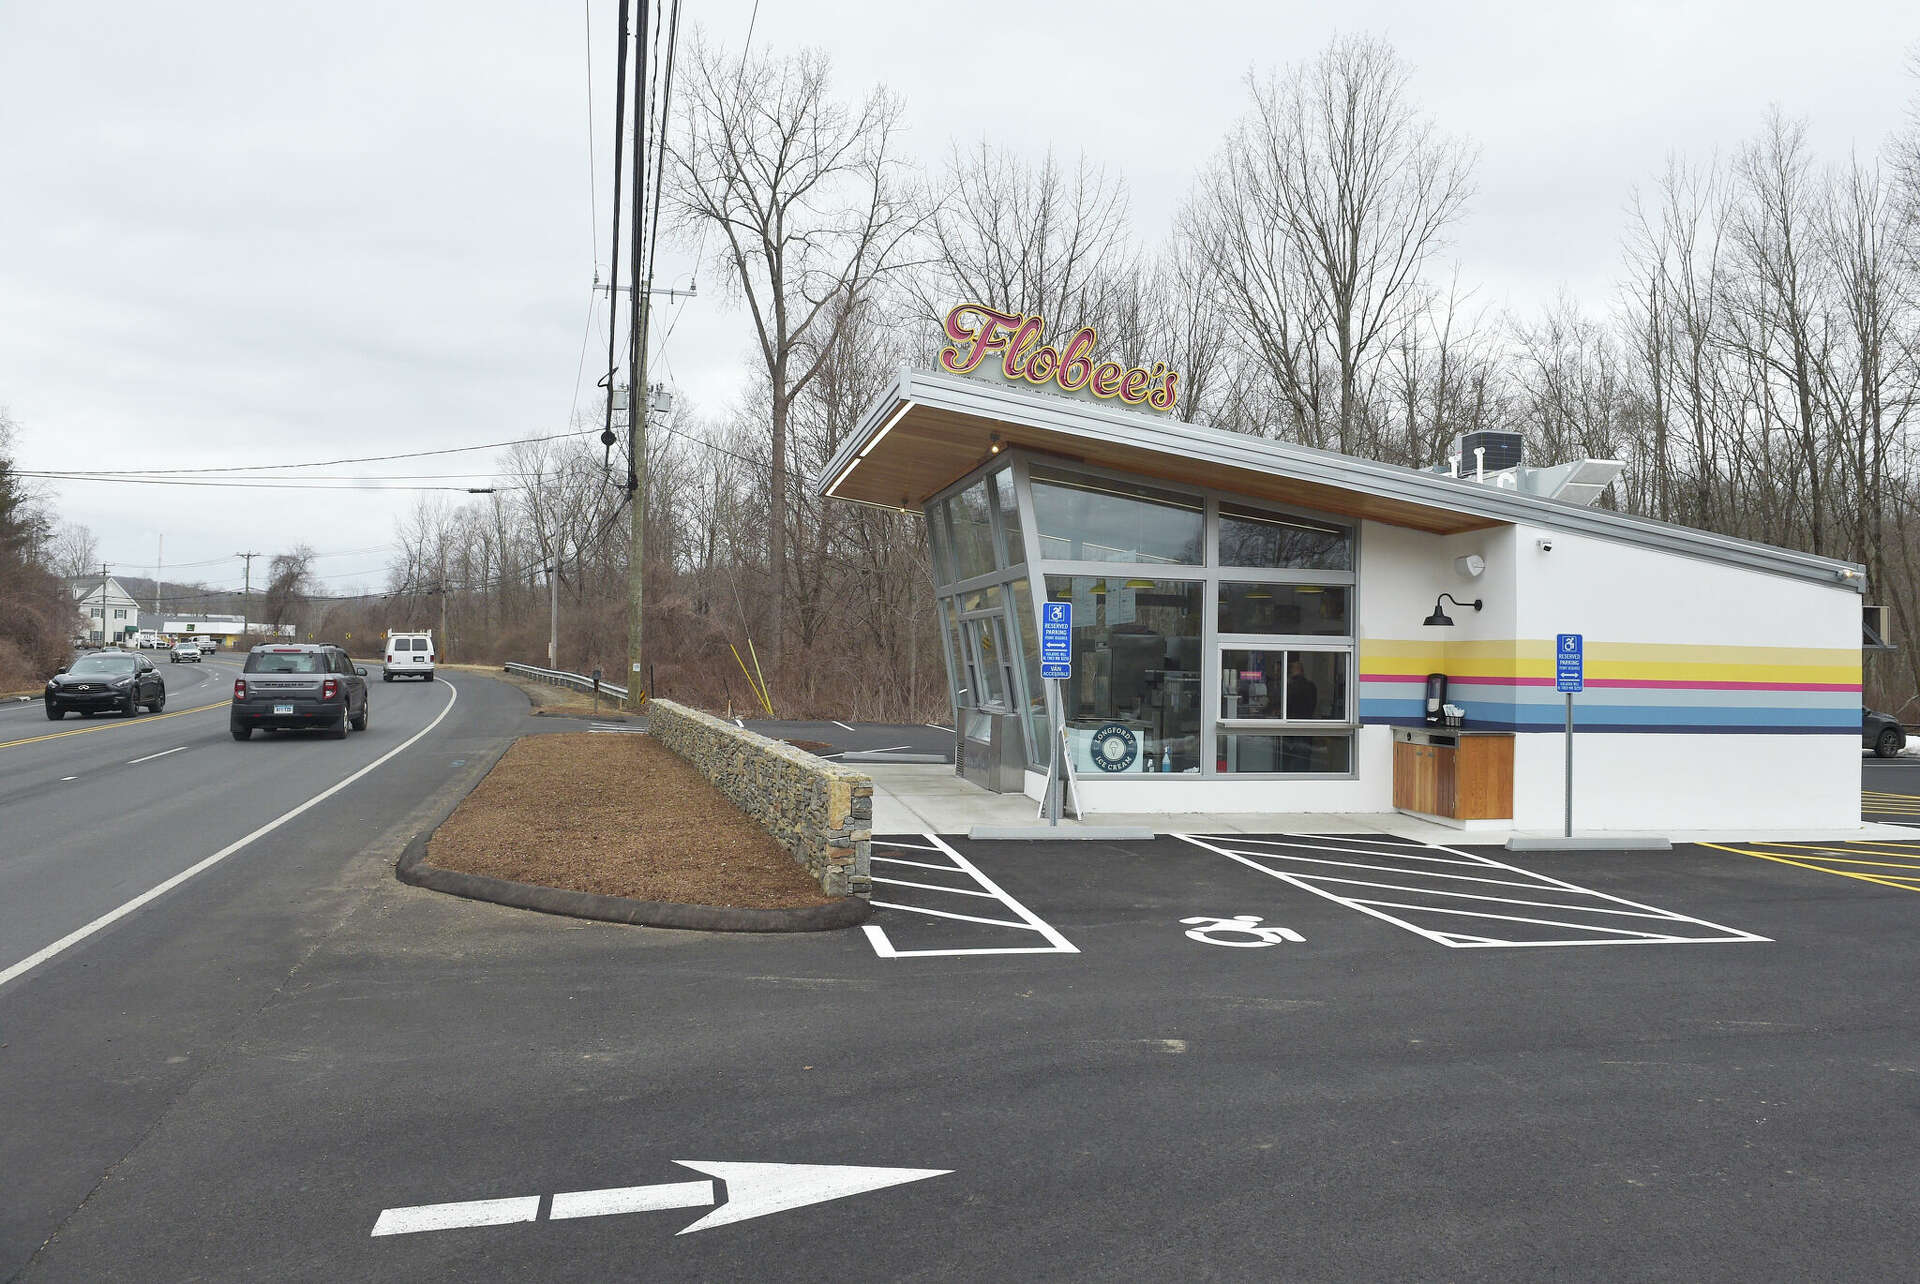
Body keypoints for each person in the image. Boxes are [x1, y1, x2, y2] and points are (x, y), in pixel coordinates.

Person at [1282, 657, 1318, 771]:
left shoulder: (1290, 687)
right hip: (1307, 725)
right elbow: (1313, 705)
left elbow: (1287, 706)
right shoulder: (1311, 686)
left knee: (1289, 758)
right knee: (1303, 758)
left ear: (1294, 670)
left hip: (1292, 726)